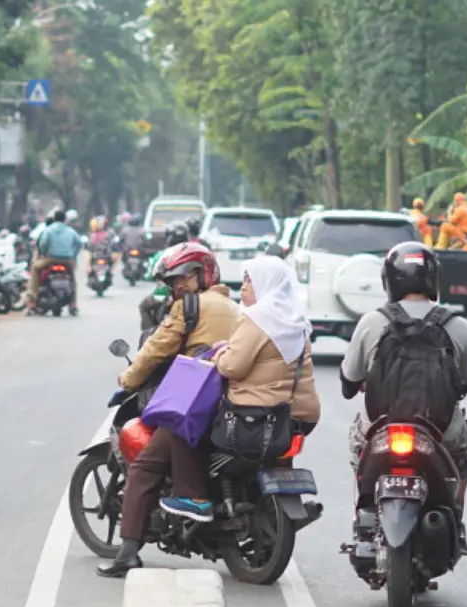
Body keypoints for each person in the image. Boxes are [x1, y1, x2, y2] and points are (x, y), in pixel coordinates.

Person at [339, 242, 467, 553]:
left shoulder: (372, 322)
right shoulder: (455, 325)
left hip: (379, 429)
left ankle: (364, 512)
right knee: (465, 452)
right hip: (439, 433)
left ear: (389, 280)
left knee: (358, 445)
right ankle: (455, 516)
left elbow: (347, 383)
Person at [98, 243, 239, 577]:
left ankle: (127, 555)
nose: (175, 286)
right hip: (231, 406)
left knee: (144, 467)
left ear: (201, 274)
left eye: (181, 278)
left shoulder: (190, 307)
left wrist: (128, 379)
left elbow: (154, 350)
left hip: (195, 403)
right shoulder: (235, 307)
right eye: (172, 280)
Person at [159, 255, 321, 521]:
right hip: (302, 415)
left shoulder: (257, 318)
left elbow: (232, 367)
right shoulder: (297, 319)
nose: (243, 286)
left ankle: (194, 496)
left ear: (266, 284)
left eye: (249, 280)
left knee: (186, 424)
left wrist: (219, 353)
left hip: (259, 415)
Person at [138, 222, 194, 332]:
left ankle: (148, 336)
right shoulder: (193, 253)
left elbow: (150, 276)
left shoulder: (161, 255)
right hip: (190, 297)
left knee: (143, 306)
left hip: (161, 296)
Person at [29, 209, 82, 315]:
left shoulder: (49, 230)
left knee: (35, 268)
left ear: (54, 219)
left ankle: (33, 301)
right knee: (72, 279)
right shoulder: (70, 230)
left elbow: (43, 243)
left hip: (51, 259)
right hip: (67, 260)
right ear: (65, 219)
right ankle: (73, 304)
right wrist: (74, 255)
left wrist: (44, 254)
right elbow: (79, 244)